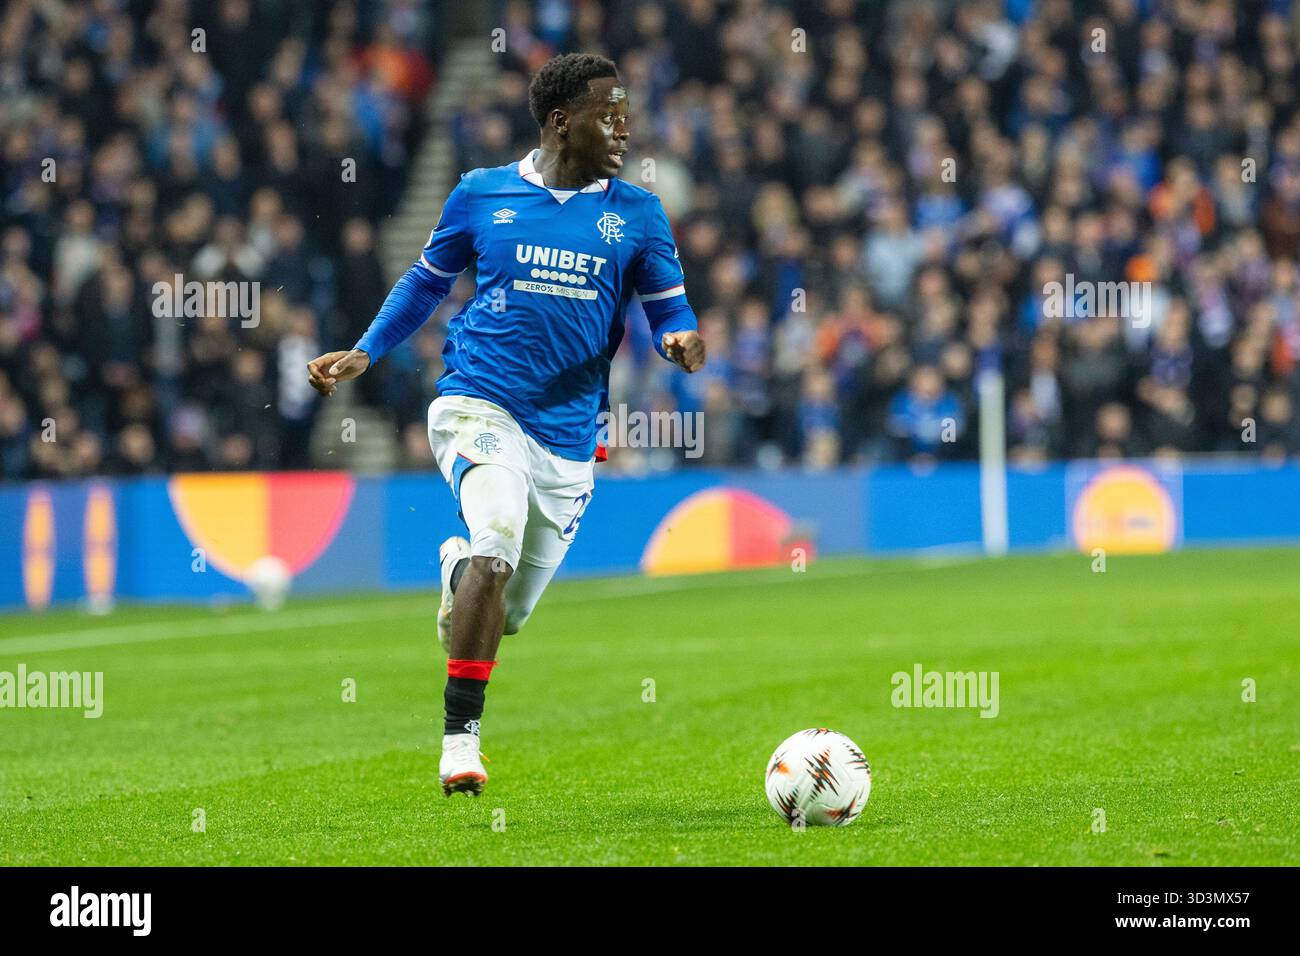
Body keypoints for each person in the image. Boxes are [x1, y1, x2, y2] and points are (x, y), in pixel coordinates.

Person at [307, 53, 706, 796]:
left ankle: (457, 572)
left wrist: (681, 339)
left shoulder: (639, 215)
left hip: (566, 438)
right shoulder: (479, 194)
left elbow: (670, 309)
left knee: (506, 608)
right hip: (477, 401)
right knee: (496, 538)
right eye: (608, 115)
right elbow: (427, 280)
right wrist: (367, 351)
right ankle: (461, 741)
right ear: (561, 121)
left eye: (627, 114)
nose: (624, 128)